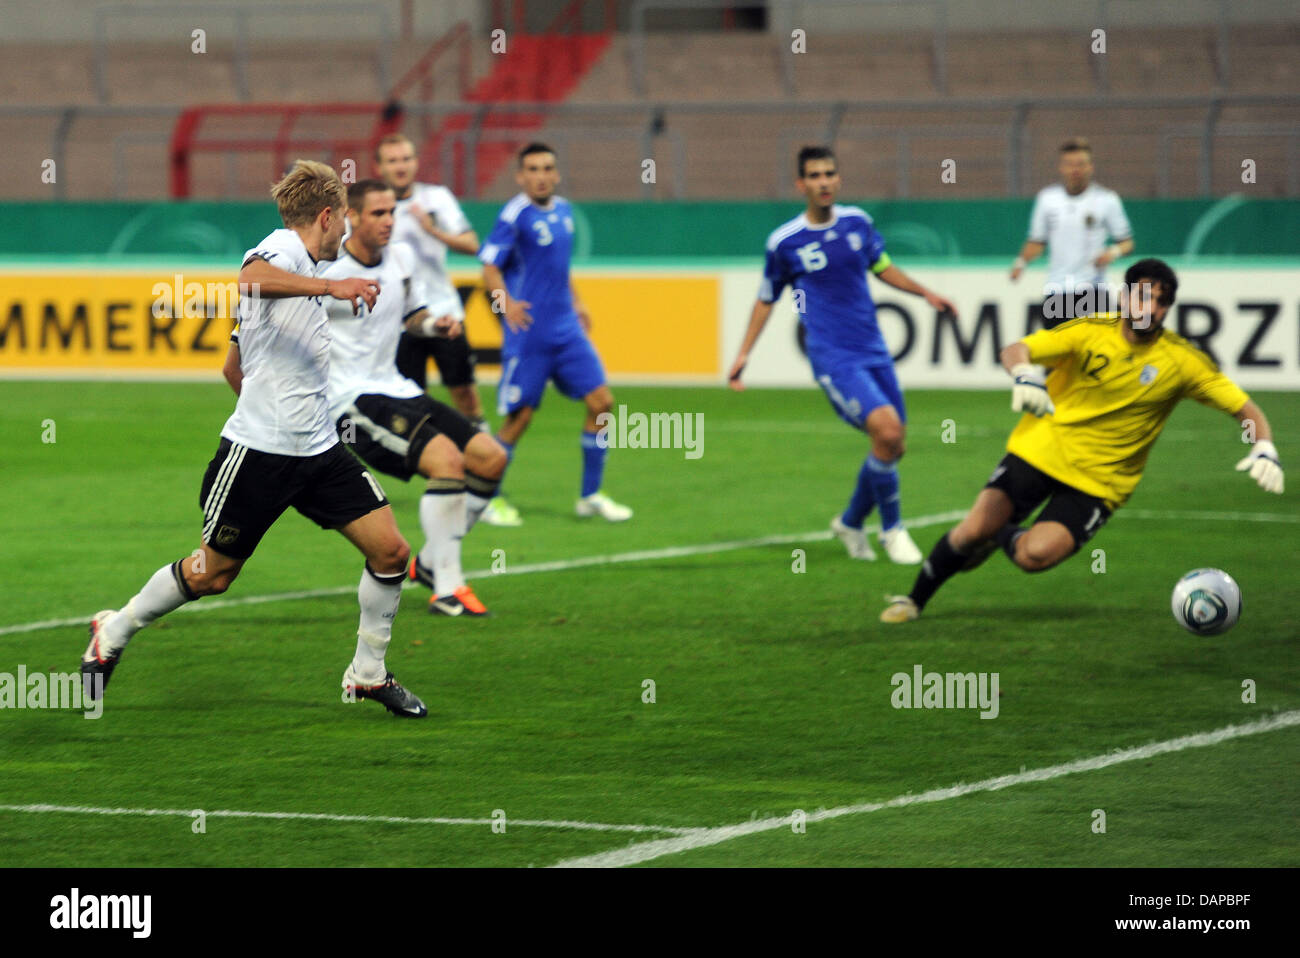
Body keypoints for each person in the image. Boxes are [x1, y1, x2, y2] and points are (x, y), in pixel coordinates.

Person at [82, 160, 428, 717]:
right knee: (212, 574)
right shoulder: (284, 250)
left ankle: (368, 674)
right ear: (326, 215)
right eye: (341, 220)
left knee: (391, 552)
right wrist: (330, 288)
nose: (344, 232)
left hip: (317, 450)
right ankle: (114, 629)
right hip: (258, 456)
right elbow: (249, 279)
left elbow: (231, 366)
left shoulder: (302, 269)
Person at [882, 258, 1284, 623]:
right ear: (1126, 296)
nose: (1149, 307)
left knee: (1033, 556)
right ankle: (913, 601)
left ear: (1167, 309)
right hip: (1040, 450)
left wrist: (1263, 445)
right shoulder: (1089, 331)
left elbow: (1245, 409)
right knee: (970, 532)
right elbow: (1016, 349)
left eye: (1160, 302)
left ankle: (1001, 534)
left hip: (1100, 482)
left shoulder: (1183, 362)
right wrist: (1023, 375)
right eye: (1143, 295)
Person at [225, 179, 508, 616]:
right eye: (378, 213)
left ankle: (432, 562)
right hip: (351, 401)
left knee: (491, 458)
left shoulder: (402, 258)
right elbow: (253, 296)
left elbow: (411, 315)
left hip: (396, 387)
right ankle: (449, 587)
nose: (389, 221)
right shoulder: (323, 270)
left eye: (393, 212)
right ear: (349, 217)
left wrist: (436, 327)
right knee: (448, 462)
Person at [728, 145, 957, 564]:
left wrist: (925, 292)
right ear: (801, 185)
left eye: (829, 174)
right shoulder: (785, 242)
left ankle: (850, 523)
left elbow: (882, 265)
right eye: (814, 176)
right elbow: (766, 299)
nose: (823, 182)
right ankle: (893, 530)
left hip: (874, 350)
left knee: (894, 444)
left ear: (839, 179)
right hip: (833, 356)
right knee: (887, 432)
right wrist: (744, 354)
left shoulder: (858, 223)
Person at [373, 133, 521, 528]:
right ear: (380, 168)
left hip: (443, 315)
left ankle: (490, 488)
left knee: (466, 398)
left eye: (406, 157)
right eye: (392, 160)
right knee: (404, 403)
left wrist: (433, 230)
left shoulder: (436, 199)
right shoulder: (375, 207)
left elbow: (475, 244)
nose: (400, 165)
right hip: (400, 322)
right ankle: (436, 475)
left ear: (416, 161)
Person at [479, 142, 632, 522]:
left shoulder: (563, 211)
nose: (541, 175)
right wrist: (506, 306)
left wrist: (577, 302)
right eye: (532, 169)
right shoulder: (514, 215)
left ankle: (590, 495)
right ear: (520, 176)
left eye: (547, 168)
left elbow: (557, 269)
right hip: (530, 333)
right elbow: (489, 268)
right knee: (521, 418)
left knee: (602, 403)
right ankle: (486, 499)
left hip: (566, 329)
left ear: (557, 173)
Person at [1011, 137, 1134, 327]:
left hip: (1093, 291)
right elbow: (1036, 242)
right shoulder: (1047, 199)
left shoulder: (1106, 200)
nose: (1075, 170)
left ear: (1090, 167)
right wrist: (1021, 262)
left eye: (1081, 164)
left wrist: (1112, 252)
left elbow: (1127, 242)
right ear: (1061, 167)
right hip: (1058, 291)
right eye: (1069, 164)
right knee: (1058, 355)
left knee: (1095, 352)